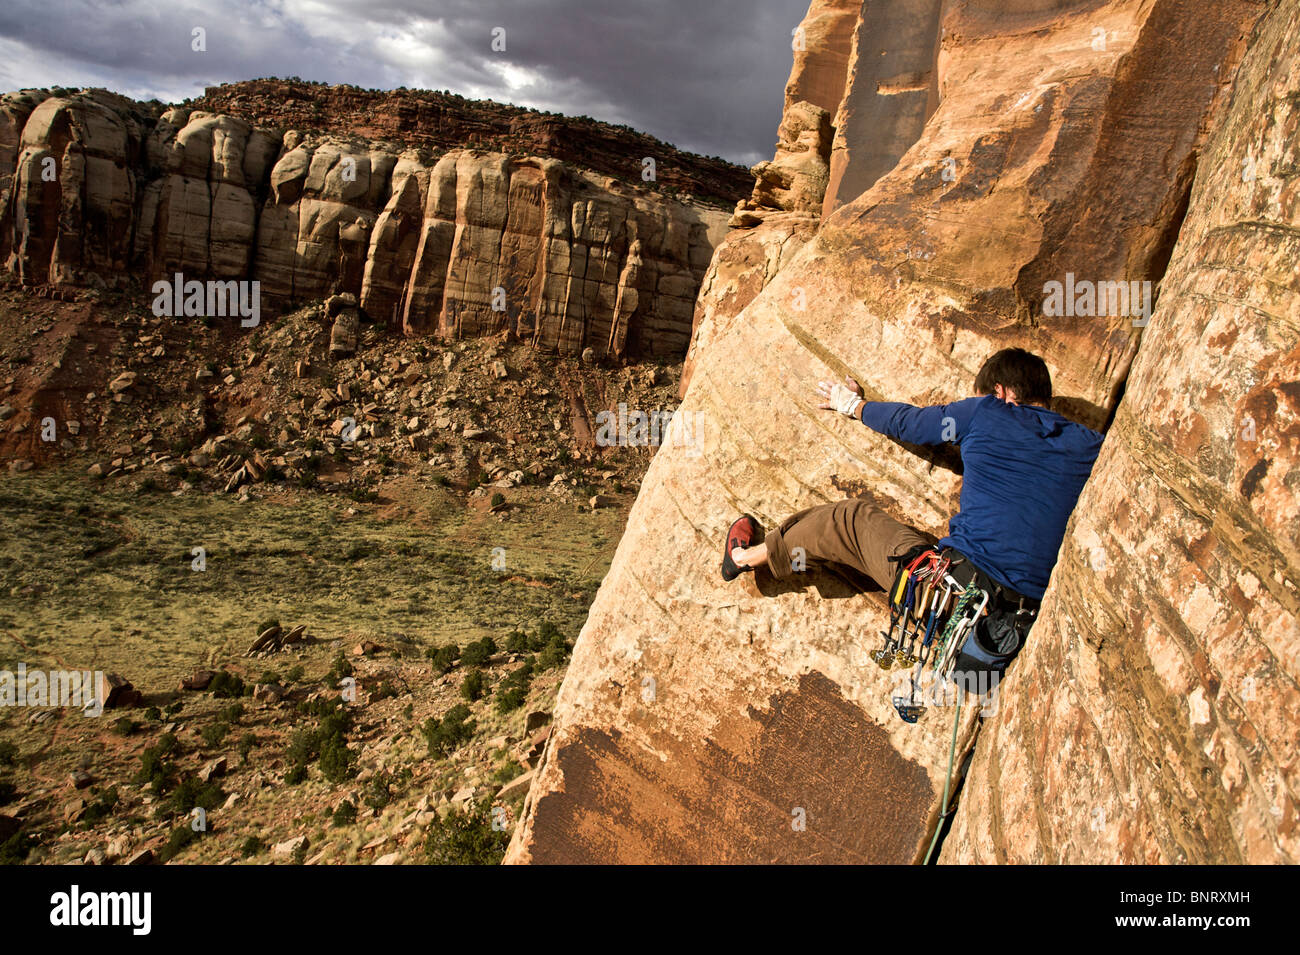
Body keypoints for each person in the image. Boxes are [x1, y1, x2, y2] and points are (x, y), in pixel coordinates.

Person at [720, 349, 1104, 614]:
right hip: (1016, 621)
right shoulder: (1094, 449)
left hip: (945, 598)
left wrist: (852, 405)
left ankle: (744, 558)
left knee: (848, 520)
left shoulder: (988, 412)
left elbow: (911, 424)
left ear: (1000, 393)